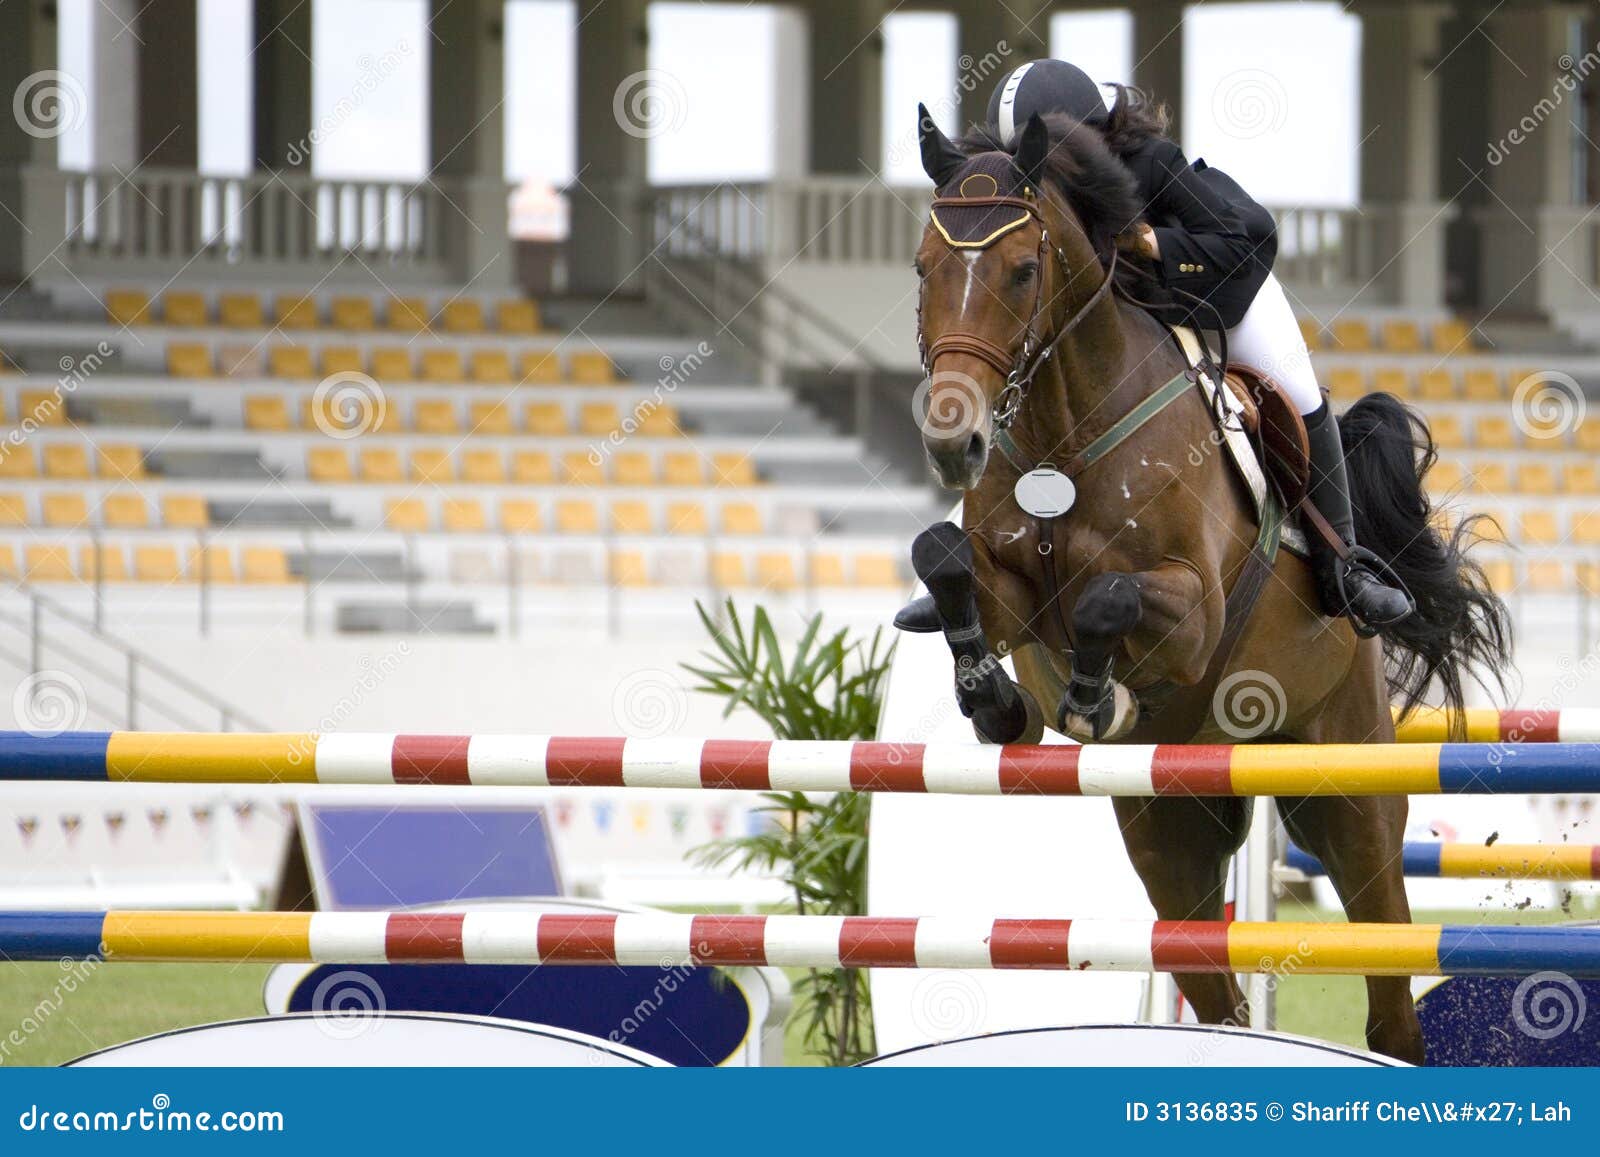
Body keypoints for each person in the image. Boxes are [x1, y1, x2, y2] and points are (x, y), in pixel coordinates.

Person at [899, 58, 1412, 634]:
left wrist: (1150, 241)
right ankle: (969, 578)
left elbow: (1247, 238)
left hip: (1210, 296)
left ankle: (1344, 562)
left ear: (1094, 135)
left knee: (1293, 389)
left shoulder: (1150, 163)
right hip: (1103, 330)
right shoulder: (1006, 185)